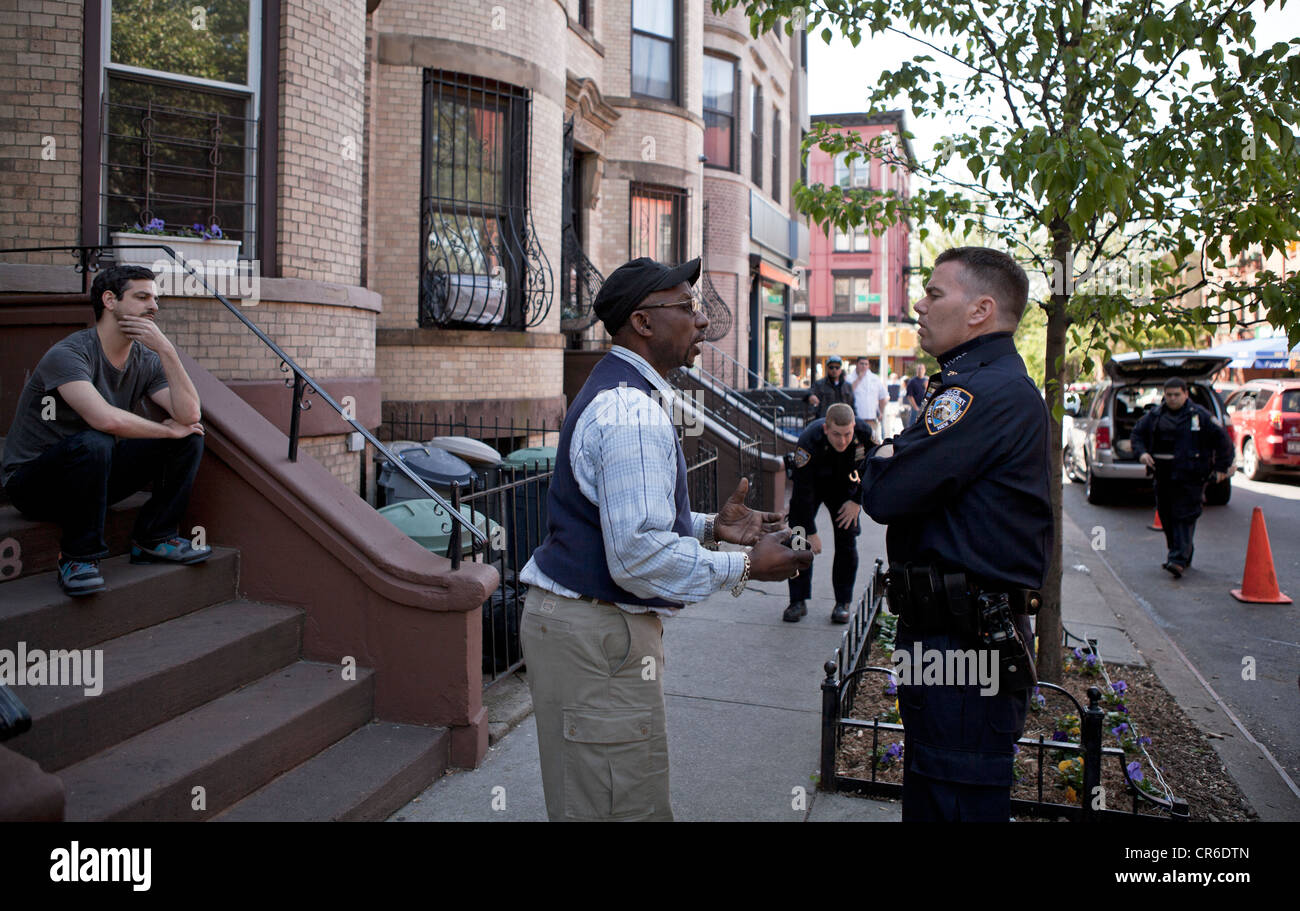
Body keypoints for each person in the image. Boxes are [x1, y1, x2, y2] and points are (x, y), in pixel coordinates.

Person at [519, 256, 812, 821]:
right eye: (687, 306)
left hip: (584, 630)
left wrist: (707, 526)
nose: (701, 321)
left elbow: (621, 521)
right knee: (619, 806)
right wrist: (747, 567)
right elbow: (639, 555)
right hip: (597, 637)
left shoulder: (622, 394)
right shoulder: (631, 412)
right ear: (644, 323)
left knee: (598, 797)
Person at [860, 246, 1052, 822]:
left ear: (980, 310)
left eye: (935, 293)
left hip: (966, 648)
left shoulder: (982, 394)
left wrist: (890, 456)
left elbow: (884, 493)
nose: (919, 304)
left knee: (953, 803)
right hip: (947, 640)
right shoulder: (972, 385)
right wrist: (892, 455)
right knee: (934, 792)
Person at [2, 265, 210, 596]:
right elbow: (104, 420)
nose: (153, 306)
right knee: (96, 441)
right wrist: (166, 431)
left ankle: (153, 538)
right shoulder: (69, 354)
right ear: (110, 300)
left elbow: (189, 414)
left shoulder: (146, 358)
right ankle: (78, 559)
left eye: (155, 298)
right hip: (34, 484)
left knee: (191, 437)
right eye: (142, 297)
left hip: (93, 476)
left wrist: (167, 351)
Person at [1130, 377, 1233, 577]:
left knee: (1184, 516)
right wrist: (1141, 453)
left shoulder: (1200, 416)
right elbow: (1137, 434)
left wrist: (1222, 467)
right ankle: (1181, 554)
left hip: (1191, 476)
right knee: (1167, 516)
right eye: (1169, 395)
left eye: (1177, 395)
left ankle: (1177, 559)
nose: (1173, 398)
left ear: (1186, 394)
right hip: (1164, 476)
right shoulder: (1156, 415)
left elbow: (1223, 441)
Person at [784, 403, 874, 624]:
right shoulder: (807, 441)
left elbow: (872, 469)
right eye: (836, 434)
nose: (842, 441)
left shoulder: (864, 433)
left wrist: (856, 501)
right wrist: (811, 532)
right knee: (798, 539)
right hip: (811, 486)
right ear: (826, 428)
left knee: (847, 542)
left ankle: (842, 603)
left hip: (844, 488)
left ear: (853, 426)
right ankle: (797, 600)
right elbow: (802, 490)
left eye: (847, 434)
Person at [850, 356, 888, 441]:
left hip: (871, 419)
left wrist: (881, 411)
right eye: (861, 364)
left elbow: (883, 396)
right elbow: (848, 393)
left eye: (866, 364)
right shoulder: (849, 378)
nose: (864, 366)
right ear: (857, 364)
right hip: (855, 419)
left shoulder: (875, 378)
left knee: (872, 443)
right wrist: (859, 378)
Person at [807, 354, 854, 420]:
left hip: (844, 420)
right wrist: (810, 396)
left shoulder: (847, 386)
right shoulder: (819, 384)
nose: (834, 370)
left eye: (837, 367)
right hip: (825, 420)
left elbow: (852, 405)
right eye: (831, 367)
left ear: (840, 369)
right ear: (827, 368)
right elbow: (808, 392)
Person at [903, 363, 928, 428]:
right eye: (919, 369)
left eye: (922, 369)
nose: (920, 370)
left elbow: (930, 393)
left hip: (925, 407)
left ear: (924, 370)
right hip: (916, 407)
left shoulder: (927, 380)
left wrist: (926, 387)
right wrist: (915, 407)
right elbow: (909, 396)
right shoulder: (912, 381)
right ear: (916, 370)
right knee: (913, 425)